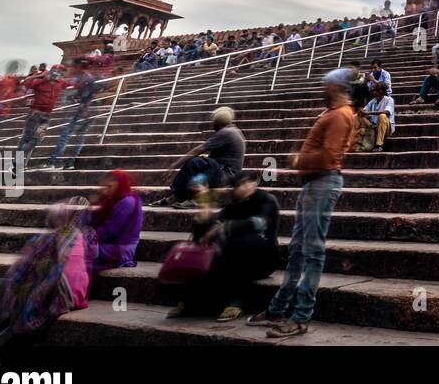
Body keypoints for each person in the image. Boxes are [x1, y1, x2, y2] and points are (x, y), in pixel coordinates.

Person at [249, 69, 358, 338]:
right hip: (313, 184)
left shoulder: (340, 115)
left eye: (326, 84)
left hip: (322, 182)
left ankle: (301, 317)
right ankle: (278, 308)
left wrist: (299, 160)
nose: (323, 88)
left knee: (312, 252)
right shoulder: (335, 113)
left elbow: (330, 155)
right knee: (298, 250)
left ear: (337, 87)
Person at [0, 197, 94, 345]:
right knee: (5, 288)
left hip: (60, 293)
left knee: (3, 288)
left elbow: (37, 271)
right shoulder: (81, 235)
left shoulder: (53, 239)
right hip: (76, 294)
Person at [169, 171, 282, 322]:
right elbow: (215, 223)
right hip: (235, 253)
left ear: (255, 183)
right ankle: (190, 303)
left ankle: (236, 303)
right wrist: (205, 208)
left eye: (245, 183)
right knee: (207, 244)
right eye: (237, 185)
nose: (241, 188)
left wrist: (224, 228)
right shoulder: (234, 204)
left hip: (264, 257)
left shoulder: (266, 200)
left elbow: (259, 222)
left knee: (242, 242)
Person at [153, 107, 246, 208]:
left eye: (213, 122)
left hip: (225, 176)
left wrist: (173, 166)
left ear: (218, 123)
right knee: (200, 166)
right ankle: (176, 198)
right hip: (224, 173)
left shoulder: (226, 133)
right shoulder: (235, 131)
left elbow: (198, 150)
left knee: (194, 162)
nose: (212, 124)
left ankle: (189, 199)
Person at [45, 58, 100, 169]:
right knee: (77, 137)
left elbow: (88, 97)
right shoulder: (81, 77)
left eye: (73, 66)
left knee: (67, 135)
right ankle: (68, 162)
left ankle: (55, 161)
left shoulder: (86, 78)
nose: (71, 68)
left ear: (78, 67)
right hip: (83, 110)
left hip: (85, 111)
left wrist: (85, 111)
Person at [91, 169, 143, 271]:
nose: (105, 190)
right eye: (104, 187)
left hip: (120, 249)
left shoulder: (127, 202)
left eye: (109, 186)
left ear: (120, 184)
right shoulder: (113, 199)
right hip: (108, 244)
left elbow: (110, 230)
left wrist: (87, 238)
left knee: (77, 250)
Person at [19, 67, 67, 160]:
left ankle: (22, 153)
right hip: (35, 114)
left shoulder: (60, 83)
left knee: (39, 137)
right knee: (27, 137)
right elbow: (26, 83)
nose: (56, 75)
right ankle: (17, 161)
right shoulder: (40, 82)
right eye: (55, 72)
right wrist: (41, 76)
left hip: (46, 116)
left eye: (59, 73)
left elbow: (74, 83)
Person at [357, 81, 395, 152]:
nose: (372, 92)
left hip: (386, 129)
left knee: (382, 116)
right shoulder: (373, 101)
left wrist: (369, 112)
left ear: (381, 91)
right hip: (374, 129)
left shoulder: (389, 100)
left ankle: (379, 145)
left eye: (374, 90)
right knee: (358, 117)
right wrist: (361, 111)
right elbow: (365, 110)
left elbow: (387, 112)